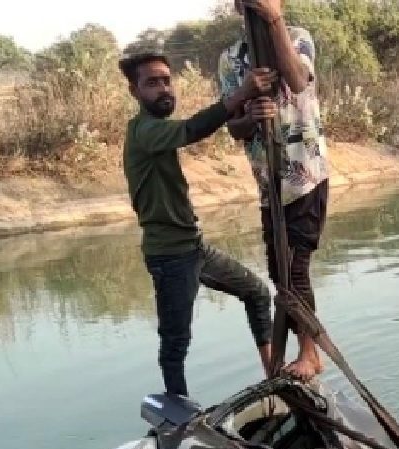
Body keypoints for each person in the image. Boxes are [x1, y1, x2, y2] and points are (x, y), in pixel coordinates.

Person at [119, 50, 279, 400]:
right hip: (171, 256)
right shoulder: (145, 131)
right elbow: (192, 129)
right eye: (151, 83)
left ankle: (274, 376)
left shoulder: (154, 129)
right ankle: (179, 418)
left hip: (194, 248)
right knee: (175, 342)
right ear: (135, 92)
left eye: (166, 80)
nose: (163, 89)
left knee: (257, 292)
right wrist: (239, 95)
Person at [219, 0, 331, 380]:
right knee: (278, 271)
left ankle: (311, 354)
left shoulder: (298, 38)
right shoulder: (231, 59)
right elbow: (234, 128)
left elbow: (298, 81)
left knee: (296, 268)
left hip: (305, 177)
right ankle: (290, 355)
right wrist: (249, 113)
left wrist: (274, 18)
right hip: (269, 184)